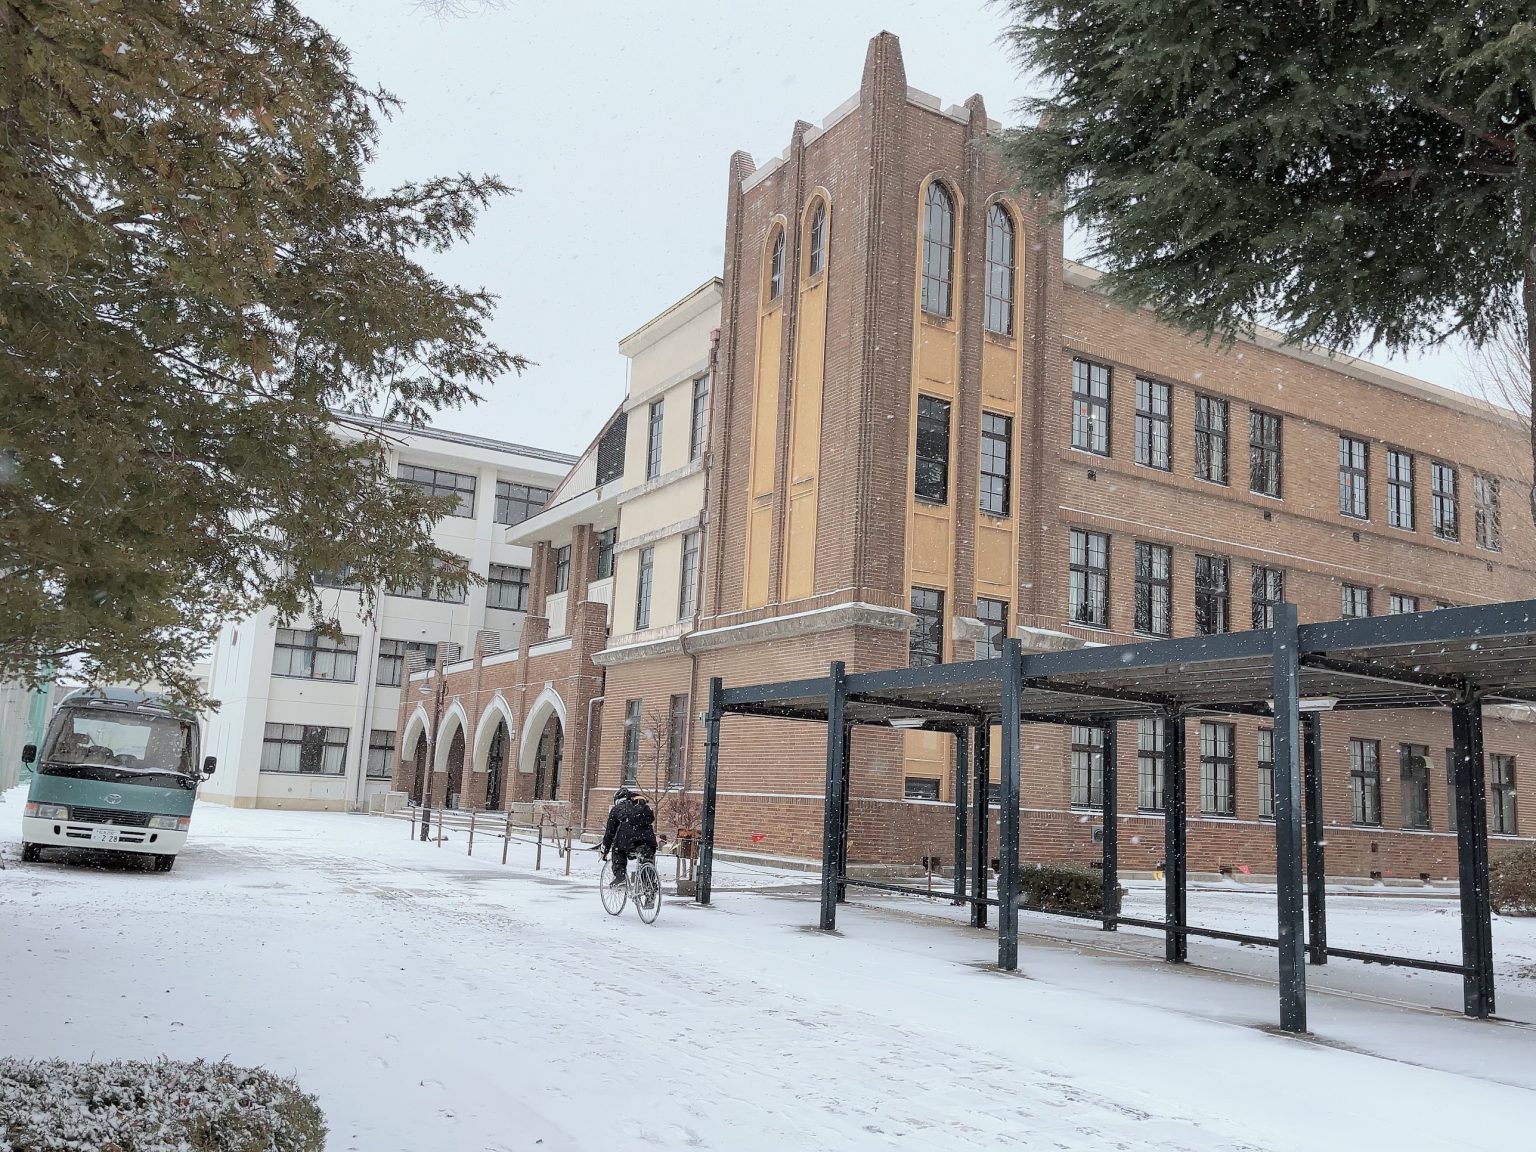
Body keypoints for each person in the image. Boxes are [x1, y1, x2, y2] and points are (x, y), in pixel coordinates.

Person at [601, 787, 657, 886]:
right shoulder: (643, 806)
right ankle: (649, 884)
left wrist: (605, 850)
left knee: (618, 851)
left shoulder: (617, 809)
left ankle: (620, 877)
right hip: (648, 839)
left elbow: (610, 832)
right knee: (647, 858)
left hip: (628, 839)